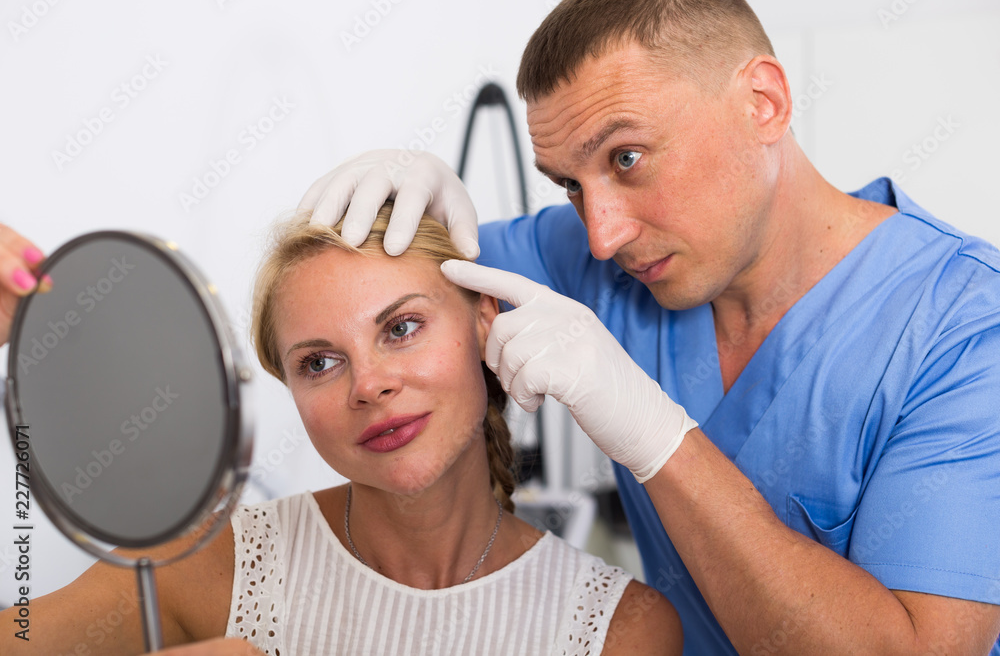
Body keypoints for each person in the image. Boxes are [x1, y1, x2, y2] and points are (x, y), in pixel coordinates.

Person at [298, 0, 1000, 653]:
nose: (602, 235)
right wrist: (412, 191)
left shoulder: (963, 329)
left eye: (626, 158)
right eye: (570, 184)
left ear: (764, 102)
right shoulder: (596, 258)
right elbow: (426, 289)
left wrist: (660, 441)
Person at [0, 210, 682, 656]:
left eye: (402, 327)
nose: (369, 383)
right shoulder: (210, 565)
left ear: (483, 319)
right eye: (319, 362)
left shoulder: (618, 630)